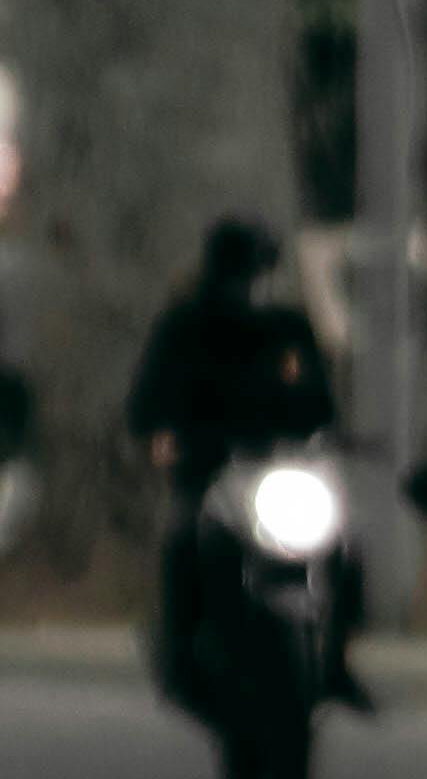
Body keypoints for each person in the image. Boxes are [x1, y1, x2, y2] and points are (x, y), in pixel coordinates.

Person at [126, 215, 345, 702]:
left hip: (281, 471)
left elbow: (322, 403)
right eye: (242, 272)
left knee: (340, 545)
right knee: (183, 543)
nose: (250, 285)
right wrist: (168, 435)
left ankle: (337, 658)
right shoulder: (185, 328)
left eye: (259, 271)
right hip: (209, 476)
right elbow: (146, 404)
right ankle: (180, 652)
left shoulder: (288, 328)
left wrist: (329, 434)